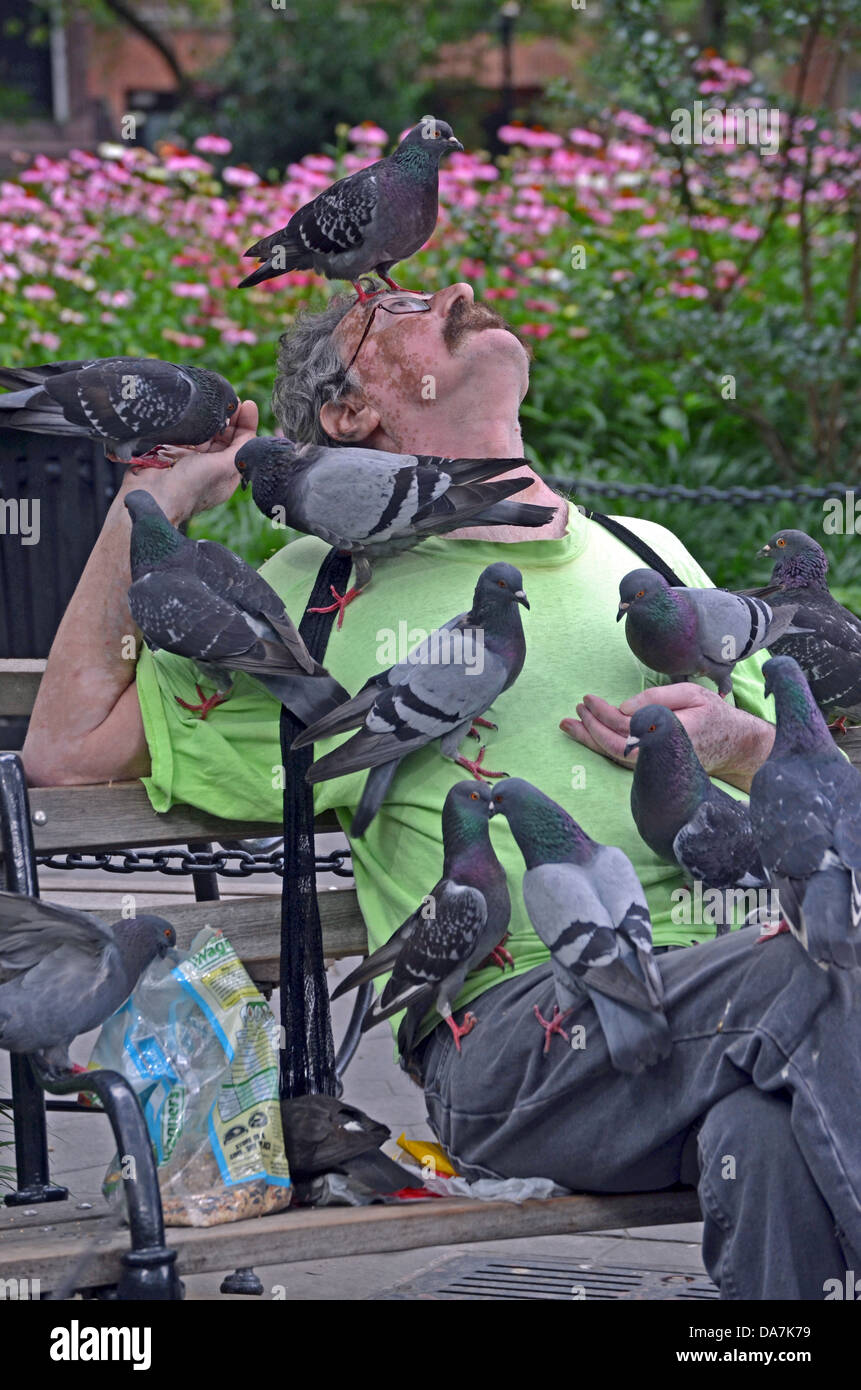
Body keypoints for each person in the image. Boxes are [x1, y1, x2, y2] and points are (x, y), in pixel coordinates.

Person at [22, 283, 861, 1299]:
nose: (459, 291)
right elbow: (65, 753)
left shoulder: (649, 557)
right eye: (400, 310)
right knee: (824, 964)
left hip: (713, 1027)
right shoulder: (315, 596)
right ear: (350, 413)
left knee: (767, 1138)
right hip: (524, 1043)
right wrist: (147, 507)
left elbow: (807, 799)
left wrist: (740, 742)